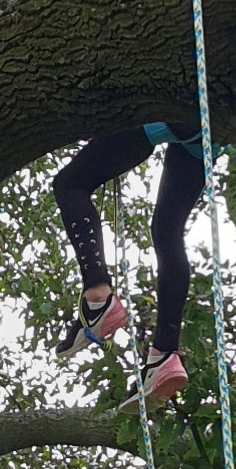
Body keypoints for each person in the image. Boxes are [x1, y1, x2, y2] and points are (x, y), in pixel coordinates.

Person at [51, 119, 209, 408]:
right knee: (167, 231)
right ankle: (163, 354)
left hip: (174, 109)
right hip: (215, 127)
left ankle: (97, 296)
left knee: (69, 184)